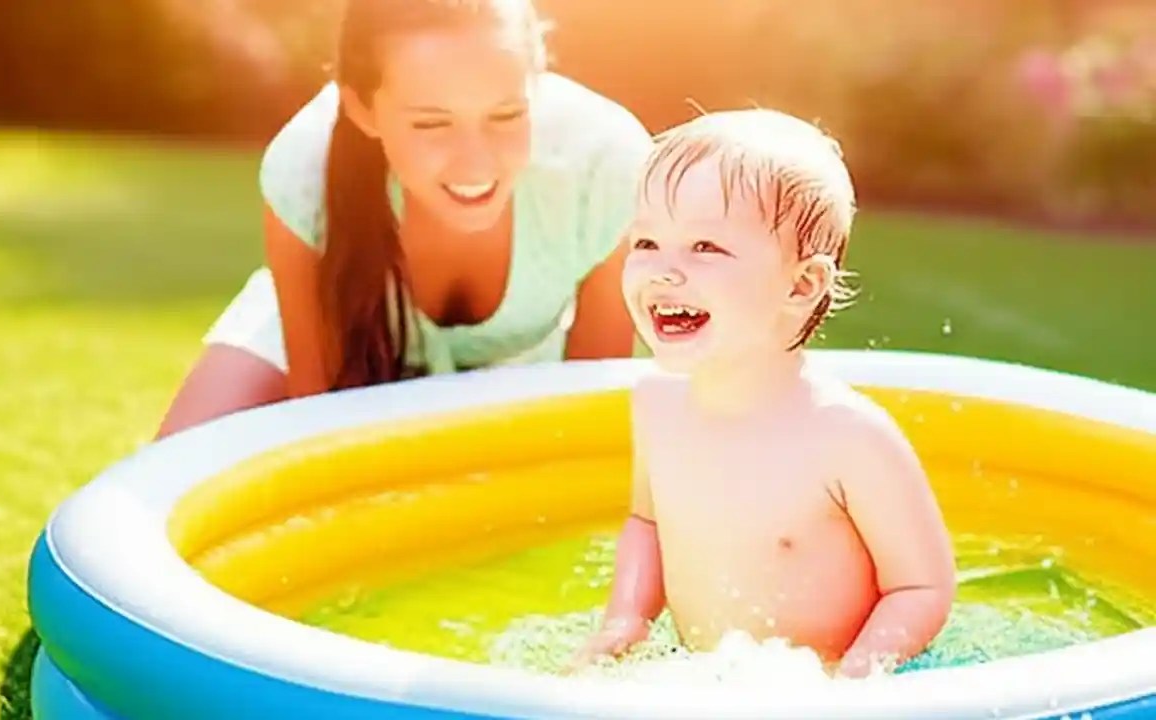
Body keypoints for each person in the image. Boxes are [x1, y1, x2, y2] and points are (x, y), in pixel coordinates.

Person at [571, 108, 956, 678]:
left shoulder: (848, 436)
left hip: (818, 685)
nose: (663, 271)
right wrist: (625, 621)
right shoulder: (656, 405)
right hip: (698, 677)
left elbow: (922, 586)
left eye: (705, 247)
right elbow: (646, 523)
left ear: (801, 285)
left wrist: (854, 682)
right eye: (647, 241)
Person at [156, 0, 653, 438]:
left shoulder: (605, 164)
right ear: (362, 108)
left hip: (525, 363)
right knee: (174, 473)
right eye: (432, 123)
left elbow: (587, 416)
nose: (475, 163)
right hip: (343, 324)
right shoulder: (304, 166)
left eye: (505, 115)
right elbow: (318, 430)